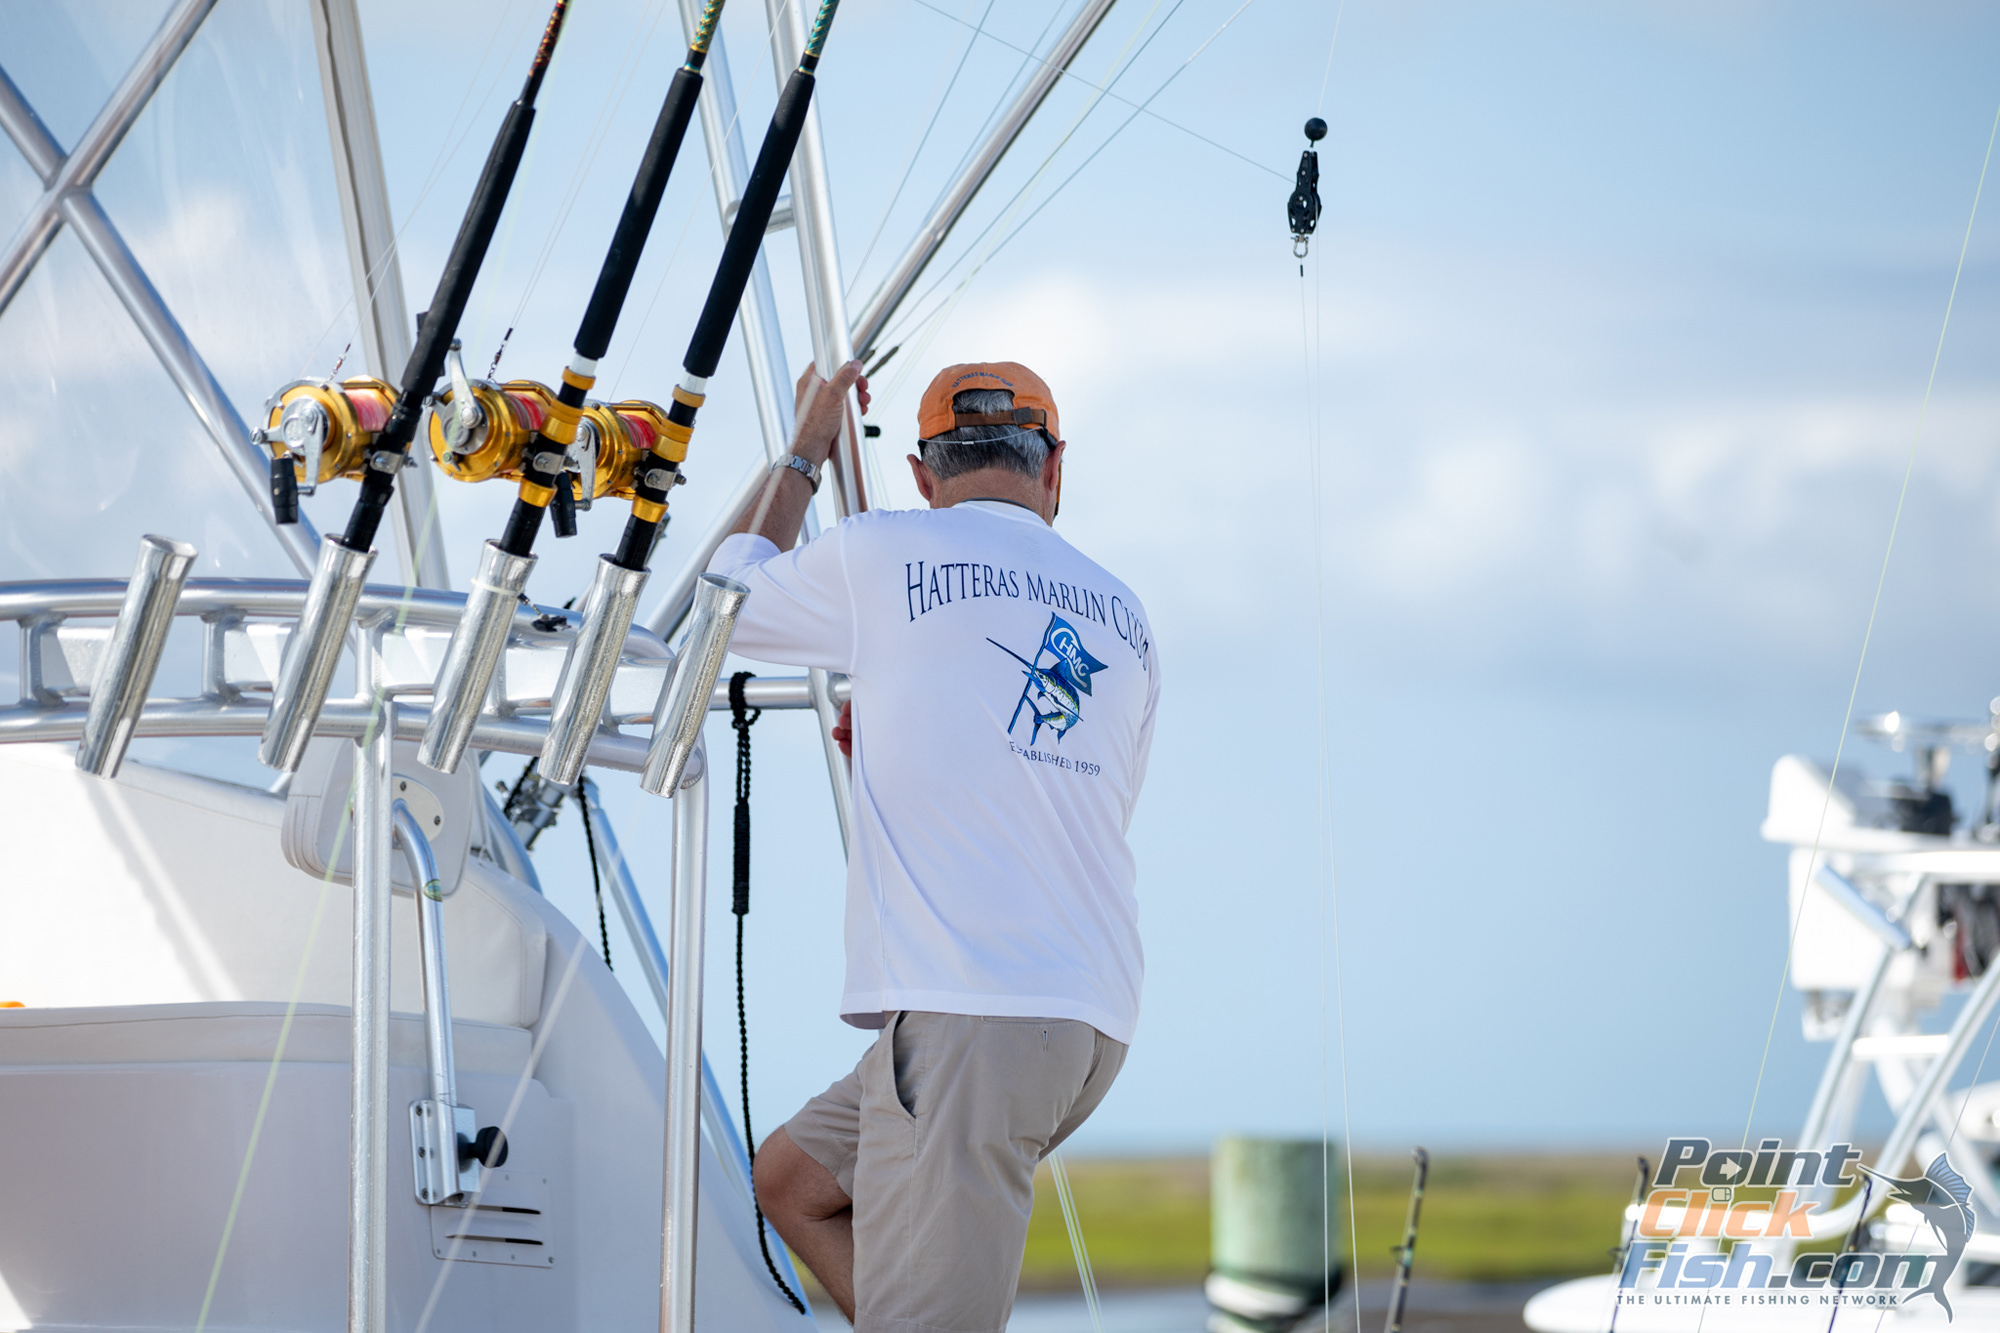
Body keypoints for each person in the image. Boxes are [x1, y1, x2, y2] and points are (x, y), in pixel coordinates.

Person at [708, 358, 1161, 1332]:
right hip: (1088, 1016)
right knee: (792, 1181)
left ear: (922, 475)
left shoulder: (883, 552)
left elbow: (722, 606)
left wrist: (806, 450)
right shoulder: (1124, 616)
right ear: (1053, 467)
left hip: (973, 1014)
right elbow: (1058, 789)